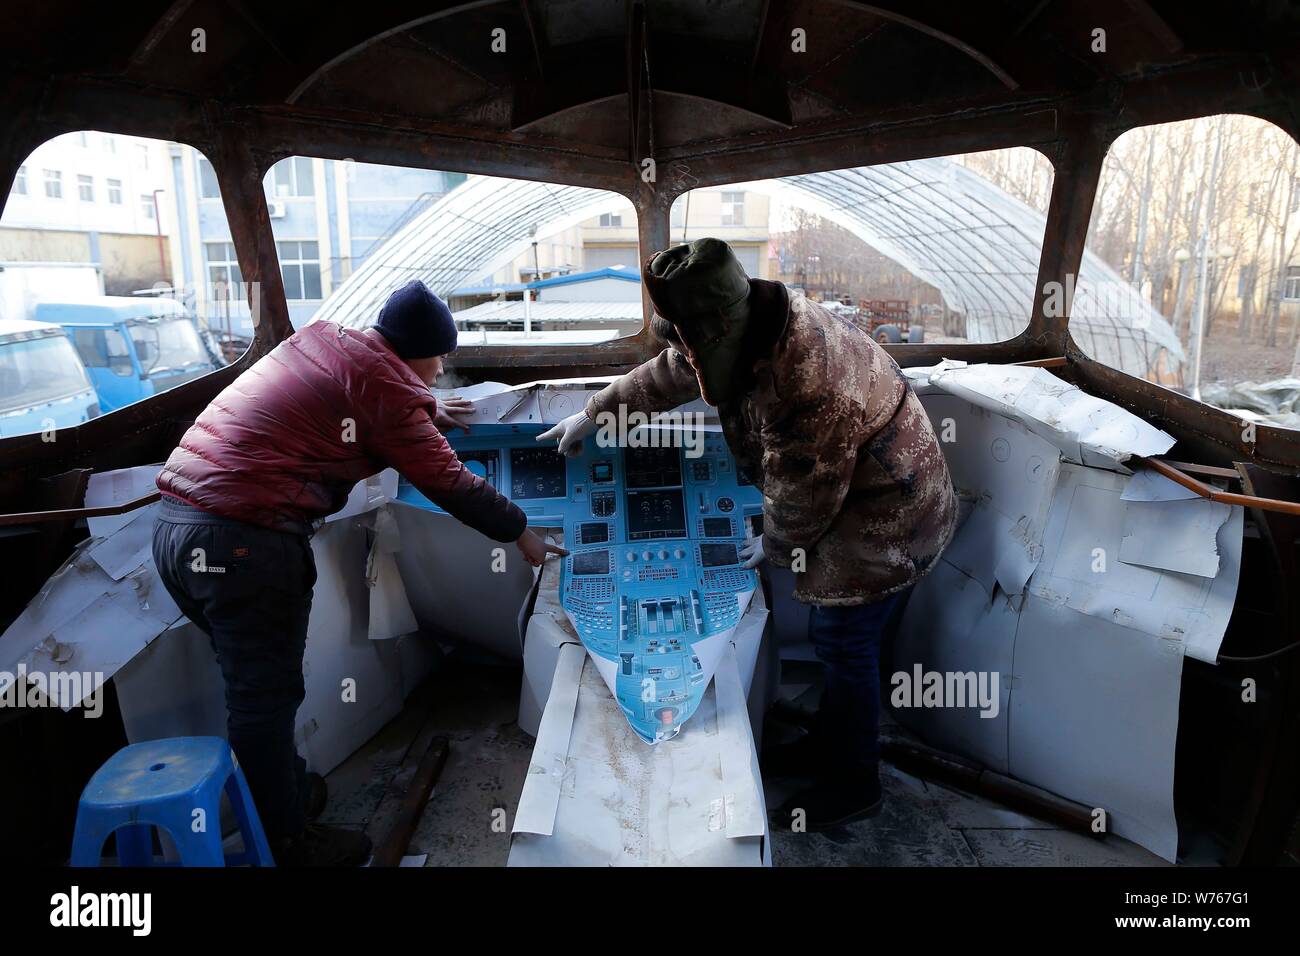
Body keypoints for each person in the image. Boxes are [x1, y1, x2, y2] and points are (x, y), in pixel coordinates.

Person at [539, 239, 957, 830]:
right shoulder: (733, 320)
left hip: (890, 511)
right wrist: (598, 412)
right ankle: (829, 744)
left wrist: (778, 544)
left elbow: (807, 490)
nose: (693, 351)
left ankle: (854, 782)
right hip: (859, 488)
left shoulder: (811, 380)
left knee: (844, 641)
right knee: (843, 642)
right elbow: (672, 372)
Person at [152, 279, 565, 865]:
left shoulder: (325, 341)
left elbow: (358, 403)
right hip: (244, 543)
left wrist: (427, 411)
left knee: (258, 691)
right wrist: (522, 534)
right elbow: (451, 484)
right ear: (417, 350)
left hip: (177, 529)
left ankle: (287, 799)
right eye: (441, 355)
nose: (443, 365)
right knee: (263, 701)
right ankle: (290, 844)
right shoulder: (386, 393)